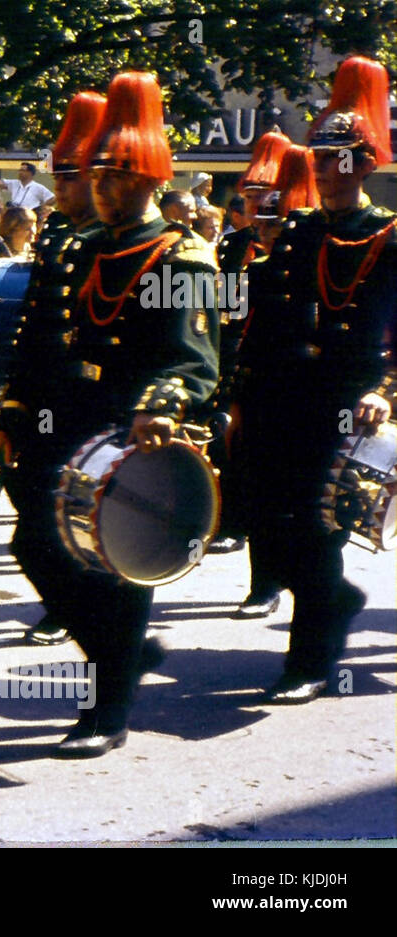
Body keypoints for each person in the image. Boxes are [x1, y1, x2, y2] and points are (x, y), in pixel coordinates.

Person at [0, 72, 217, 757]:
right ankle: (122, 655)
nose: (102, 187)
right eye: (99, 174)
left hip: (133, 425)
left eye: (117, 175)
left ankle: (107, 707)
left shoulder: (182, 255)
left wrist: (159, 408)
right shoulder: (79, 248)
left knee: (117, 569)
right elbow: (38, 342)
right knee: (35, 545)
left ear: (148, 180)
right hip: (68, 418)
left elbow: (191, 357)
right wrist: (13, 409)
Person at [236, 56, 395, 704]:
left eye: (334, 159)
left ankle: (309, 662)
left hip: (348, 403)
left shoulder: (387, 238)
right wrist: (239, 394)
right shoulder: (298, 231)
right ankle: (334, 598)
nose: (322, 169)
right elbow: (269, 318)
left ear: (362, 163)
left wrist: (383, 393)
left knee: (314, 527)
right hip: (283, 400)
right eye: (319, 158)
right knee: (266, 524)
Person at [0, 89, 106, 648]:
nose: (60, 190)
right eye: (57, 178)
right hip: (42, 403)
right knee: (32, 528)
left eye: (71, 178)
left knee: (64, 526)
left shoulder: (109, 242)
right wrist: (12, 406)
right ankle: (80, 614)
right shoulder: (58, 236)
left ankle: (96, 631)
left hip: (91, 408)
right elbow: (35, 326)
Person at [225, 145, 318, 621]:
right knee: (260, 497)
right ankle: (263, 584)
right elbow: (232, 329)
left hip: (308, 399)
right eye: (260, 225)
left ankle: (308, 591)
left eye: (272, 225)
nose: (263, 234)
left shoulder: (313, 269)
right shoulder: (251, 272)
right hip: (260, 396)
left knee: (304, 505)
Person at [208, 129, 292, 557]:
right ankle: (231, 521)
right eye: (252, 194)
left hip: (278, 358)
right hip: (233, 350)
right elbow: (223, 301)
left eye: (265, 194)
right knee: (227, 445)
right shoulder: (234, 244)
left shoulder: (298, 242)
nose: (257, 204)